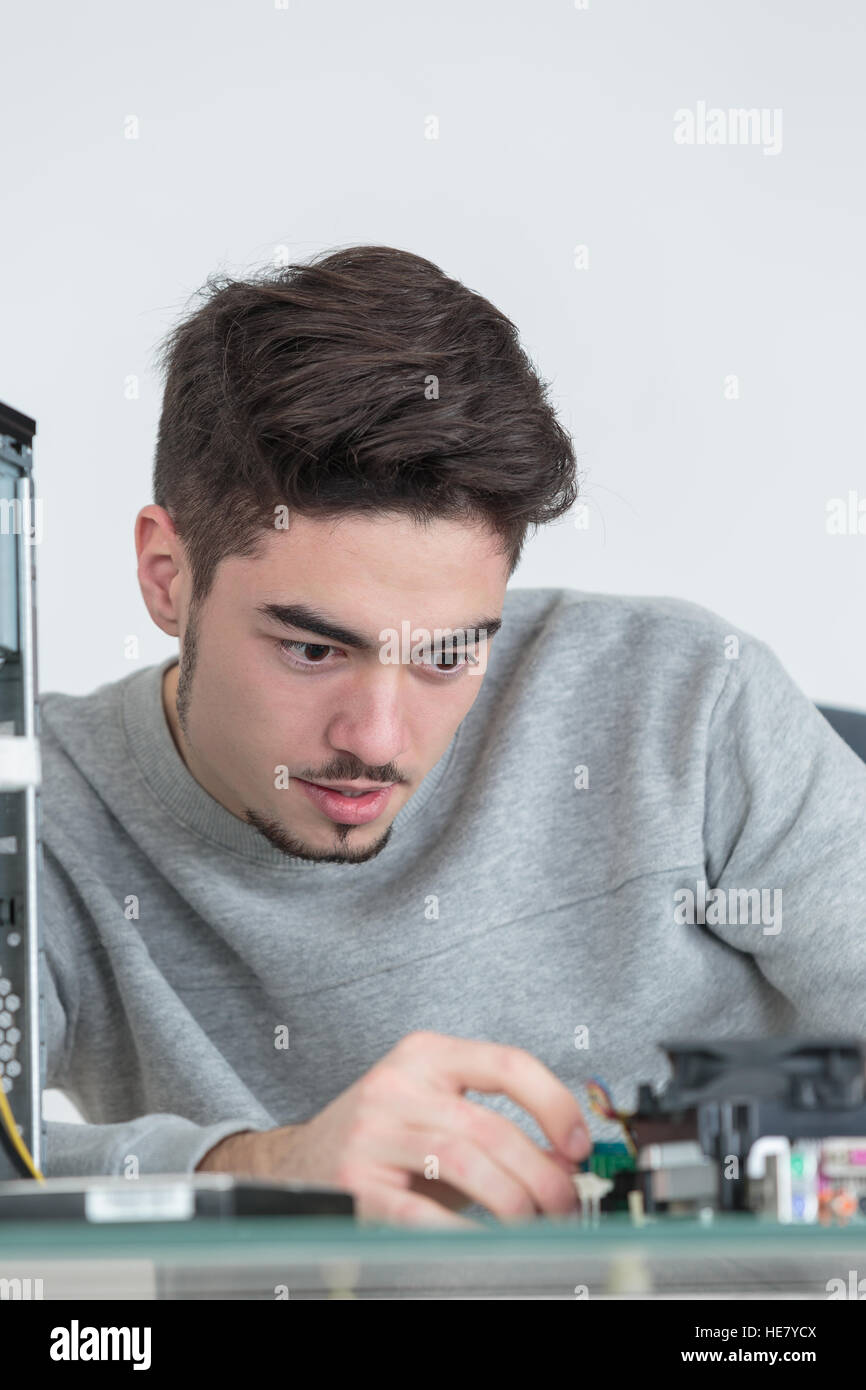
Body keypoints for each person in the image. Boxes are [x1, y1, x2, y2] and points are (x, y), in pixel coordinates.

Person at [38, 245, 866, 1226]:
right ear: (167, 573)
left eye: (447, 655)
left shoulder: (688, 702)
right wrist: (260, 1165)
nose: (377, 738)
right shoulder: (46, 806)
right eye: (311, 649)